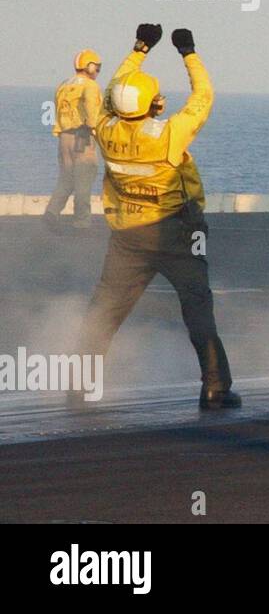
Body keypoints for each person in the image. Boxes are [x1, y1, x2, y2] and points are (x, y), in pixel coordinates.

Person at [79, 24, 239, 409]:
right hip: (177, 233)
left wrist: (140, 48)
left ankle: (79, 385)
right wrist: (188, 52)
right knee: (197, 305)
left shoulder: (104, 129)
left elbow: (112, 91)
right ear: (153, 104)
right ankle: (215, 387)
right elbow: (203, 96)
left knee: (104, 310)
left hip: (127, 236)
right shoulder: (170, 135)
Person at [45, 49, 103, 230]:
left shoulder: (64, 84)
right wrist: (97, 131)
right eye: (98, 67)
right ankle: (82, 221)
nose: (98, 71)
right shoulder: (90, 86)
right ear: (90, 66)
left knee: (66, 178)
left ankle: (52, 211)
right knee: (84, 179)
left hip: (64, 137)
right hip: (83, 137)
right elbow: (92, 112)